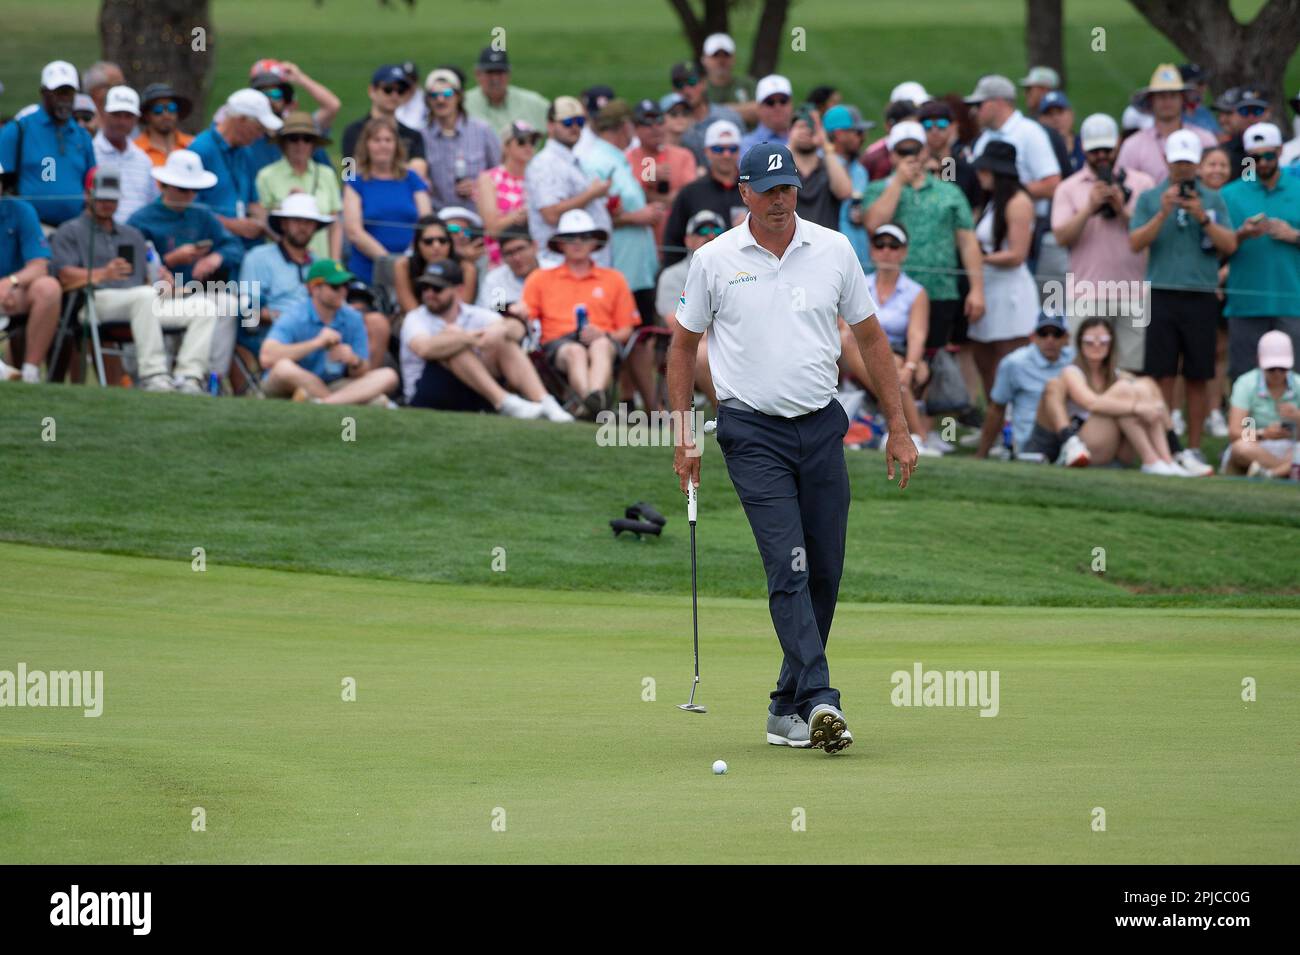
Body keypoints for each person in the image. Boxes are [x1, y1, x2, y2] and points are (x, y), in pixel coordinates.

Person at [670, 141, 916, 755]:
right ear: (743, 192)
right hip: (752, 432)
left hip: (823, 428)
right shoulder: (715, 259)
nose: (779, 200)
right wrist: (684, 434)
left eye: (787, 188)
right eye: (767, 189)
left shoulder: (833, 249)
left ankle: (786, 706)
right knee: (790, 564)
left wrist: (900, 424)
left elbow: (870, 339)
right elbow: (679, 347)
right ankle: (822, 699)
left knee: (825, 569)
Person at [51, 168, 217, 394]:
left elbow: (146, 280)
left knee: (204, 306)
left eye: (112, 198)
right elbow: (63, 277)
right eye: (101, 197)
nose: (107, 203)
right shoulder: (69, 231)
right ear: (87, 195)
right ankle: (154, 375)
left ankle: (189, 377)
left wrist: (166, 285)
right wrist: (102, 274)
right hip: (92, 301)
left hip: (140, 301)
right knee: (143, 296)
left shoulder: (132, 234)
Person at [1129, 128, 1237, 472]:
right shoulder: (1150, 198)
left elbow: (1229, 245)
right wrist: (1162, 213)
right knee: (1161, 373)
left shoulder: (1213, 199)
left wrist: (1201, 216)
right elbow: (1135, 243)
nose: (1183, 170)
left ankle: (1191, 447)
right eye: (1178, 164)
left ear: (1197, 166)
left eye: (1189, 164)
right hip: (1161, 292)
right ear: (1167, 162)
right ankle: (1163, 444)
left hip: (1201, 295)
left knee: (1197, 374)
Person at [865, 121, 985, 380]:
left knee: (930, 365)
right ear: (892, 155)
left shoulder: (949, 192)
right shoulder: (877, 189)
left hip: (939, 289)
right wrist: (897, 182)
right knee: (887, 360)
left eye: (914, 150)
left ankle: (930, 418)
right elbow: (873, 225)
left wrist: (976, 289)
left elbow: (968, 241)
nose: (909, 157)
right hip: (890, 292)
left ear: (925, 152)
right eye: (902, 151)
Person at [400, 258, 571, 421]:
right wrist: (468, 338)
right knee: (452, 346)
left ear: (458, 290)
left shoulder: (474, 313)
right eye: (425, 288)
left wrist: (500, 329)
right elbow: (424, 348)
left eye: (437, 288)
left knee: (504, 341)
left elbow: (517, 329)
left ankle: (545, 402)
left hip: (471, 389)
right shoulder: (415, 318)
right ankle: (504, 401)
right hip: (426, 393)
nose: (429, 294)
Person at [1050, 113, 1156, 373]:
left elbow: (1151, 234)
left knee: (1130, 370)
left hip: (1133, 292)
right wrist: (1089, 208)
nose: (1102, 156)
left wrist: (1122, 210)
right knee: (1088, 368)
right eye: (1095, 151)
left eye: (1107, 150)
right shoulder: (1069, 188)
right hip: (1086, 292)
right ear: (1084, 149)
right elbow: (1062, 236)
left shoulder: (1142, 184)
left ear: (1118, 145)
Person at [1026, 317, 1198, 474]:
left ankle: (1169, 457)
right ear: (1080, 343)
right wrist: (1138, 408)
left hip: (1116, 448)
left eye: (1103, 341)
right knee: (1125, 392)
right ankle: (1153, 460)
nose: (1096, 346)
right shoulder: (1072, 372)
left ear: (1111, 344)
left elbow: (1150, 393)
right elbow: (1091, 403)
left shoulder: (1117, 375)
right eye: (1089, 341)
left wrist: (1148, 403)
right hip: (1086, 444)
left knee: (1146, 385)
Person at [128, 149, 243, 380]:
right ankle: (160, 375)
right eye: (183, 189)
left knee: (227, 304)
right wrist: (170, 260)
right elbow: (131, 264)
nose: (190, 195)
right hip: (157, 295)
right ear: (164, 185)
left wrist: (215, 258)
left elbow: (234, 247)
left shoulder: (202, 216)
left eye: (194, 190)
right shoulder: (140, 220)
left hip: (193, 292)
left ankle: (211, 377)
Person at [518, 209, 639, 418]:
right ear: (560, 243)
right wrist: (513, 309)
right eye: (570, 237)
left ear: (594, 242)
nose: (577, 242)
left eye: (584, 237)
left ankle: (589, 404)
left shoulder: (614, 279)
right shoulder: (540, 278)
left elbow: (627, 329)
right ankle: (596, 403)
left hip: (605, 340)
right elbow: (526, 316)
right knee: (575, 351)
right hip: (558, 345)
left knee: (600, 345)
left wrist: (603, 334)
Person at [838, 223, 935, 454]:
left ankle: (911, 433)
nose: (886, 251)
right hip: (859, 349)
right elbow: (844, 324)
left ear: (903, 251)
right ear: (872, 250)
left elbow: (917, 335)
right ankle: (916, 435)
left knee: (896, 369)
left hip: (897, 352)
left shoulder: (915, 291)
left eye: (893, 246)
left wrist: (911, 366)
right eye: (880, 245)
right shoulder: (859, 283)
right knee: (847, 339)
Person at [1221, 122, 1300, 380]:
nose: (1263, 163)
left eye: (1268, 156)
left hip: (1292, 302)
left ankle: (1291, 422)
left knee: (1294, 380)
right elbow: (1216, 247)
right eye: (1255, 157)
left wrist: (1294, 235)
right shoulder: (1230, 195)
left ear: (1279, 152)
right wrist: (1242, 234)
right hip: (1245, 304)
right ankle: (1247, 423)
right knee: (1245, 381)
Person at [259, 259, 398, 405]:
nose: (343, 291)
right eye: (335, 286)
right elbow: (267, 357)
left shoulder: (353, 318)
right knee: (283, 368)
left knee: (388, 375)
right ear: (314, 288)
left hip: (332, 385)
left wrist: (353, 360)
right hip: (292, 384)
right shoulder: (295, 315)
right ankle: (339, 402)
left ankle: (325, 403)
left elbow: (362, 371)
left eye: (346, 285)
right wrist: (316, 343)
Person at [582, 100, 663, 329]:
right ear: (625, 126)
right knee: (630, 332)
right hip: (622, 266)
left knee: (645, 333)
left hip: (638, 267)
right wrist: (637, 217)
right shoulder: (597, 163)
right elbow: (593, 219)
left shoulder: (616, 159)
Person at [968, 141, 1039, 395]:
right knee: (984, 356)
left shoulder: (1018, 202)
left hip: (1011, 290)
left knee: (1008, 357)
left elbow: (1018, 255)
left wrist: (980, 258)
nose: (980, 175)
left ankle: (1011, 421)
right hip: (989, 286)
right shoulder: (992, 202)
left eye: (984, 169)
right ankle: (993, 422)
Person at [0, 61, 96, 227]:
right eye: (58, 93)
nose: (64, 99)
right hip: (31, 227)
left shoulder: (82, 136)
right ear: (43, 93)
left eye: (69, 93)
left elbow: (90, 181)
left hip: (75, 228)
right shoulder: (18, 130)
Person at [524, 96, 613, 268]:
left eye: (579, 121)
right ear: (550, 125)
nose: (574, 127)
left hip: (580, 264)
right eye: (567, 122)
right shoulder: (546, 163)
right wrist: (591, 194)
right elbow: (550, 214)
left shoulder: (568, 159)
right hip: (558, 264)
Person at [342, 117, 432, 284]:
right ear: (366, 145)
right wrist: (389, 261)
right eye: (376, 140)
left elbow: (426, 222)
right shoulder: (355, 182)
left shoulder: (412, 179)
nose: (383, 145)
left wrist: (409, 259)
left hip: (412, 268)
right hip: (369, 271)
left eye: (388, 140)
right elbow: (354, 232)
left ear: (396, 145)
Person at [189, 88, 282, 250]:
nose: (260, 136)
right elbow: (187, 209)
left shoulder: (245, 151)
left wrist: (274, 232)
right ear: (241, 120)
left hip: (240, 248)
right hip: (210, 249)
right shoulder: (200, 150)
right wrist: (233, 225)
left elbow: (254, 202)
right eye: (259, 128)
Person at [975, 312, 1074, 457]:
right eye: (1043, 333)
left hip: (1074, 431)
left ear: (1066, 338)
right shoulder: (1014, 363)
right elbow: (996, 408)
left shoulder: (1075, 358)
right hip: (1033, 441)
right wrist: (982, 453)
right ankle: (1071, 443)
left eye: (1056, 334)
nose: (1050, 339)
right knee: (1052, 388)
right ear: (1033, 336)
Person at [656, 210, 723, 406]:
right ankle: (729, 416)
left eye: (717, 230)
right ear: (688, 240)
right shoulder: (671, 275)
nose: (710, 236)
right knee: (702, 353)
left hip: (730, 343)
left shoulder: (736, 271)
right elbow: (676, 326)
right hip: (692, 346)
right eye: (702, 231)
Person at [255, 112, 342, 261]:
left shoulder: (326, 174)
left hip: (321, 261)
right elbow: (263, 222)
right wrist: (287, 206)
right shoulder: (266, 176)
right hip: (283, 261)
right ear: (284, 143)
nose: (300, 144)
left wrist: (334, 262)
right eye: (294, 139)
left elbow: (335, 225)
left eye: (307, 139)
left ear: (313, 144)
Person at [0, 186, 61, 383]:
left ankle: (30, 372)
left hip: (13, 292)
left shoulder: (21, 210)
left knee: (48, 288)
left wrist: (10, 282)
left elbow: (39, 266)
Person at [1116, 65, 1217, 183]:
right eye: (1161, 96)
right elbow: (1122, 185)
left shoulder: (1205, 140)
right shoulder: (1132, 146)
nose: (1167, 102)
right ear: (1151, 101)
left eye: (1173, 96)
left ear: (1183, 100)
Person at [662, 120, 743, 266]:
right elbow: (673, 243)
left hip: (746, 268)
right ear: (706, 151)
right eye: (718, 149)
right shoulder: (690, 193)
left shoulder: (753, 189)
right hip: (702, 269)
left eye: (732, 149)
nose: (726, 155)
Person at [419, 68, 501, 211]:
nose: (440, 100)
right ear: (427, 100)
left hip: (477, 215)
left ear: (458, 96)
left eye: (447, 94)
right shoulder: (422, 136)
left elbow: (501, 174)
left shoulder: (482, 130)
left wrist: (478, 187)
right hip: (440, 217)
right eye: (434, 95)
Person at [625, 99, 698, 255]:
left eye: (659, 121)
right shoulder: (627, 159)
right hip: (640, 244)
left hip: (678, 240)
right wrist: (649, 178)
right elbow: (628, 200)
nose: (655, 128)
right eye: (647, 123)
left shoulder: (683, 156)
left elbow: (688, 197)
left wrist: (649, 194)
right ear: (635, 129)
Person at [1222, 331, 1300, 478]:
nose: (1277, 373)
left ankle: (1271, 473)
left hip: (1293, 447)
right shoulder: (1246, 383)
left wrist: (1297, 417)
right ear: (1260, 362)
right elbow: (1235, 432)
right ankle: (1288, 471)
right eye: (1271, 368)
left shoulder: (1298, 384)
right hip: (1258, 446)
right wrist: (1263, 433)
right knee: (1241, 448)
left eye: (1283, 368)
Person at [339, 65, 429, 184]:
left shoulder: (413, 136)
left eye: (400, 91)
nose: (394, 95)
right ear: (372, 91)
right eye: (388, 89)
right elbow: (349, 174)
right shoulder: (353, 132)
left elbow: (418, 174)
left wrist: (371, 165)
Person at [475, 121, 537, 266]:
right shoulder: (489, 179)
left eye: (532, 142)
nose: (528, 147)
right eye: (521, 142)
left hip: (533, 259)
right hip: (500, 260)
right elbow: (492, 229)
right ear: (505, 146)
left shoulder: (537, 178)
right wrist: (518, 215)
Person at [91, 86, 156, 223]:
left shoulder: (144, 160)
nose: (122, 122)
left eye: (128, 116)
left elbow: (150, 204)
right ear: (104, 114)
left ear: (136, 119)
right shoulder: (91, 152)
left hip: (136, 236)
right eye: (116, 115)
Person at [463, 46, 550, 141]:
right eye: (490, 72)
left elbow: (560, 120)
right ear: (477, 74)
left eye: (500, 72)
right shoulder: (463, 104)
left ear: (509, 74)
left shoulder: (532, 102)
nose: (495, 79)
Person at [788, 107, 853, 230]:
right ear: (790, 131)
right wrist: (792, 142)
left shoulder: (830, 165)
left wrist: (825, 144)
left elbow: (845, 192)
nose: (807, 131)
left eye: (812, 128)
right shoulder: (783, 168)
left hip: (825, 245)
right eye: (801, 126)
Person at [823, 104, 872, 268]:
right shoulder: (820, 166)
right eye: (857, 132)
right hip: (832, 261)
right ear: (839, 134)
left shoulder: (860, 170)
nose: (863, 137)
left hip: (862, 261)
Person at [394, 216, 474, 314]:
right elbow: (411, 311)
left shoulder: (466, 268)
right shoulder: (403, 265)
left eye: (442, 240)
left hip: (455, 323)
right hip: (414, 323)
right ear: (417, 244)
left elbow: (460, 310)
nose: (436, 246)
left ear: (450, 243)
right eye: (428, 241)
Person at [672, 61, 744, 167]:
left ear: (704, 84)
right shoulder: (670, 126)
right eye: (680, 85)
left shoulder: (729, 118)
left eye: (692, 82)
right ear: (674, 90)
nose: (686, 90)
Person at [700, 33, 756, 126]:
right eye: (715, 55)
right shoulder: (699, 87)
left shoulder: (747, 84)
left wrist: (713, 111)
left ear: (733, 58)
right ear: (704, 59)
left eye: (726, 55)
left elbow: (760, 111)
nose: (721, 60)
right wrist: (742, 110)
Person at [476, 227, 538, 311]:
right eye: (509, 253)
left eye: (520, 249)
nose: (517, 258)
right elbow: (496, 314)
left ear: (534, 246)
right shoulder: (496, 281)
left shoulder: (554, 270)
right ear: (503, 257)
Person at [134, 83, 194, 167]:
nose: (166, 114)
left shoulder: (193, 145)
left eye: (171, 107)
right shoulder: (135, 149)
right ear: (146, 115)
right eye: (158, 109)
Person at [739, 75, 795, 153]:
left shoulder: (808, 141)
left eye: (783, 101)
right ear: (759, 108)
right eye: (770, 102)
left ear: (791, 105)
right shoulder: (745, 146)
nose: (777, 107)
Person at [1038, 91, 1083, 173]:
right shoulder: (1038, 152)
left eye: (1060, 112)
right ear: (1040, 120)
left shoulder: (1086, 145)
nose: (1055, 119)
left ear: (1072, 115)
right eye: (1049, 114)